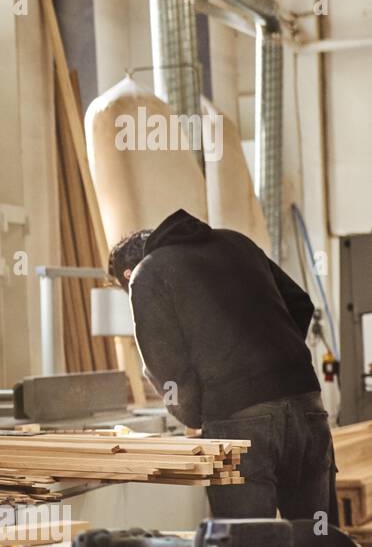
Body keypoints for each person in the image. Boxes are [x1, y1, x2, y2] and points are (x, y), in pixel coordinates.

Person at [108, 208, 337, 522]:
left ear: (126, 274)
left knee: (248, 546)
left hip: (239, 424)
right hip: (308, 406)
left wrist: (193, 414)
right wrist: (276, 367)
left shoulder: (147, 274)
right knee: (319, 540)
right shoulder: (236, 243)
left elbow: (165, 365)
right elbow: (300, 302)